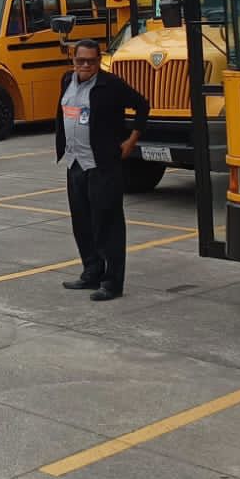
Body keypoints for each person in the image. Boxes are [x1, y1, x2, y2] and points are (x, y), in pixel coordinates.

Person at [54, 37, 149, 301]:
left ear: (98, 60)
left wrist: (132, 139)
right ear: (73, 60)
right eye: (80, 60)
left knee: (108, 225)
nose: (85, 65)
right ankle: (91, 272)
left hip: (103, 165)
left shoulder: (110, 85)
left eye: (91, 61)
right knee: (82, 223)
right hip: (75, 164)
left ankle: (112, 282)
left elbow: (142, 105)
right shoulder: (66, 80)